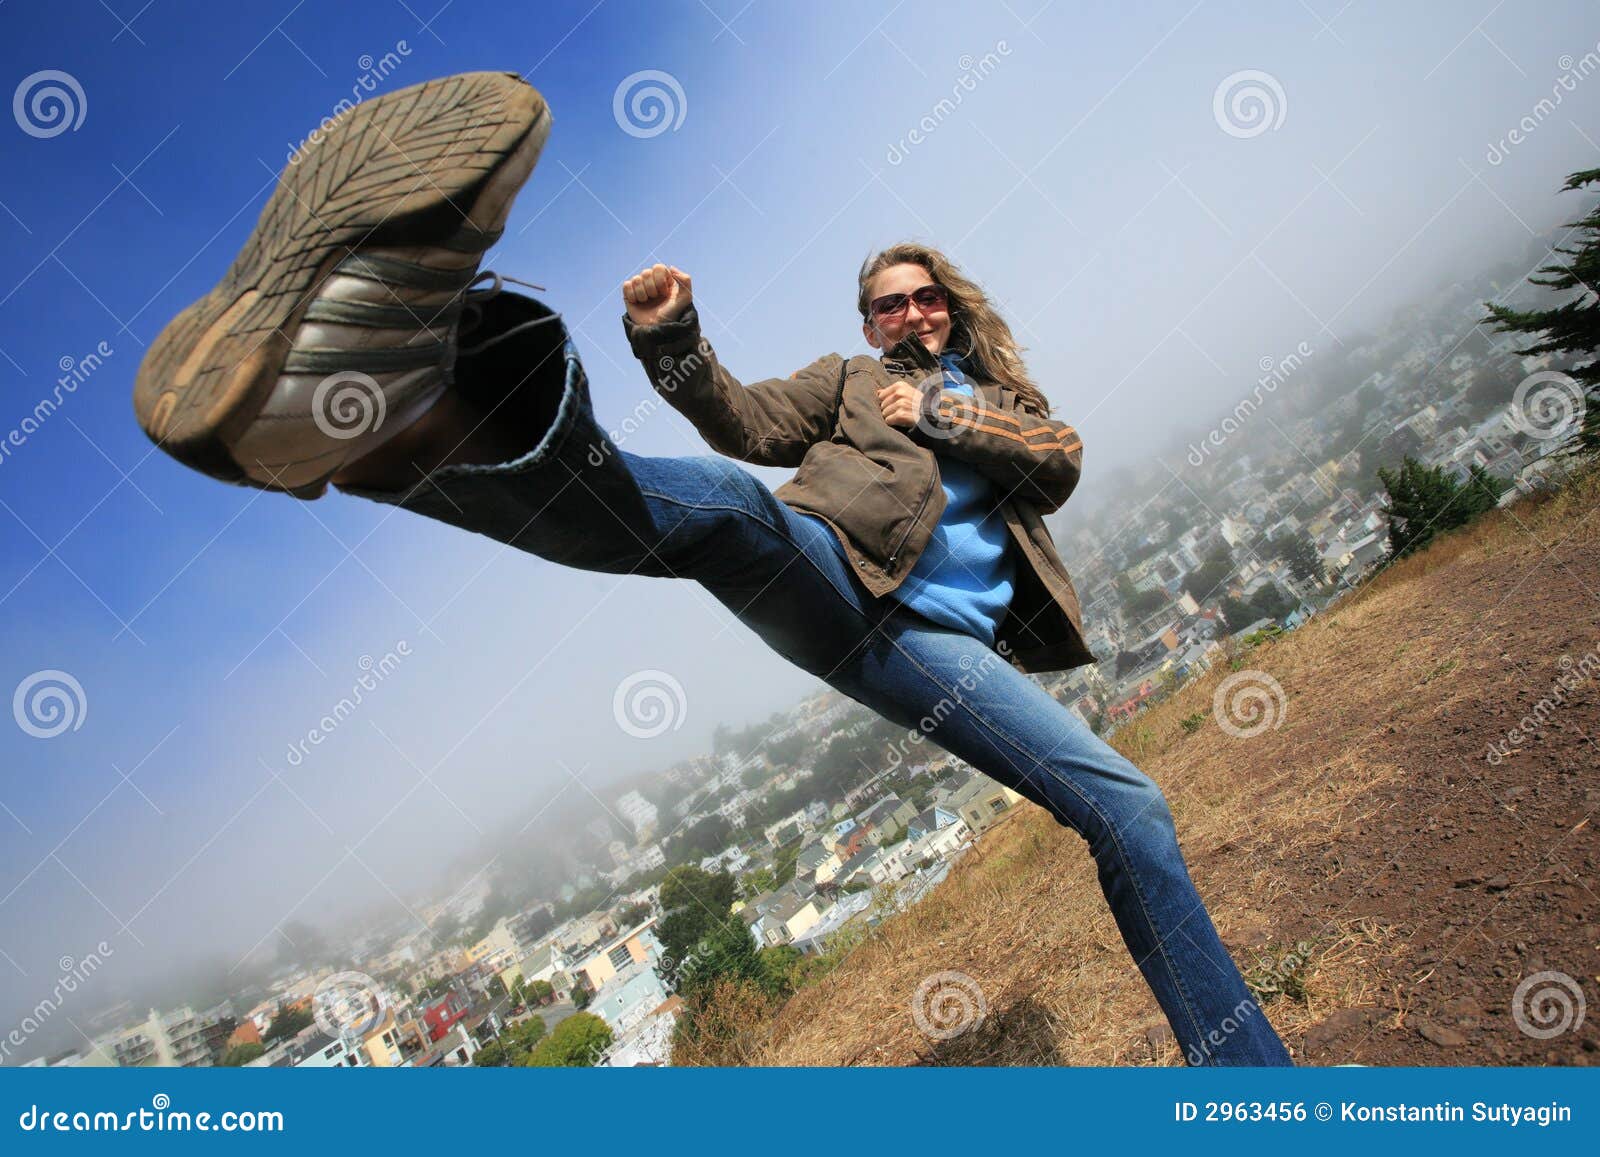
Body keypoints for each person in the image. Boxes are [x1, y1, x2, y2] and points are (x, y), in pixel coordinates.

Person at [132, 71, 1291, 1066]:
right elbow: (737, 423)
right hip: (831, 572)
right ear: (869, 323)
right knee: (731, 509)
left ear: (952, 305)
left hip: (936, 650)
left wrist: (940, 411)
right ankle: (409, 409)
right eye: (885, 306)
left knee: (1127, 805)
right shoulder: (847, 381)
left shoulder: (995, 401)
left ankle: (1248, 1085)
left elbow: (1058, 458)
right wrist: (672, 340)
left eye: (922, 295)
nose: (904, 314)